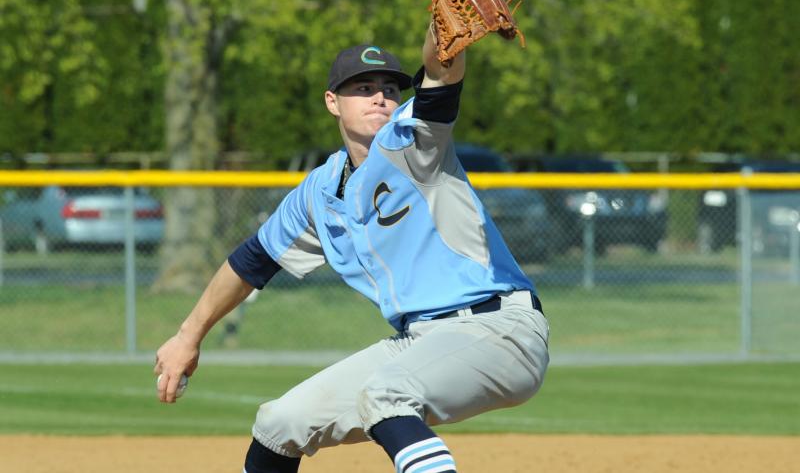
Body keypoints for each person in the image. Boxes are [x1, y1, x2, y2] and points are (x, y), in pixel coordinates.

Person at [154, 24, 550, 473]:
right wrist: (189, 336)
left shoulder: (415, 142)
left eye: (388, 88)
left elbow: (440, 74)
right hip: (418, 341)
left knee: (386, 395)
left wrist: (438, 34)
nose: (380, 97)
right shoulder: (318, 190)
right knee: (280, 423)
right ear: (332, 102)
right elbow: (251, 263)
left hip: (498, 328)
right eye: (363, 88)